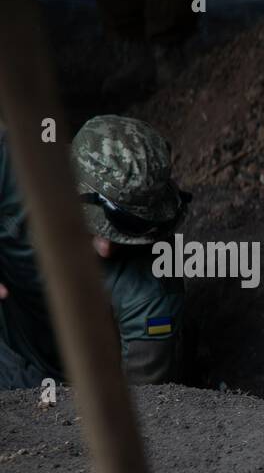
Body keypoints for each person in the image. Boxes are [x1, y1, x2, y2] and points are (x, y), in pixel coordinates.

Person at [0, 115, 189, 389]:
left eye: (125, 237)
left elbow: (146, 406)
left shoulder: (152, 296)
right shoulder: (14, 164)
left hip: (74, 390)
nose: (104, 248)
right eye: (89, 227)